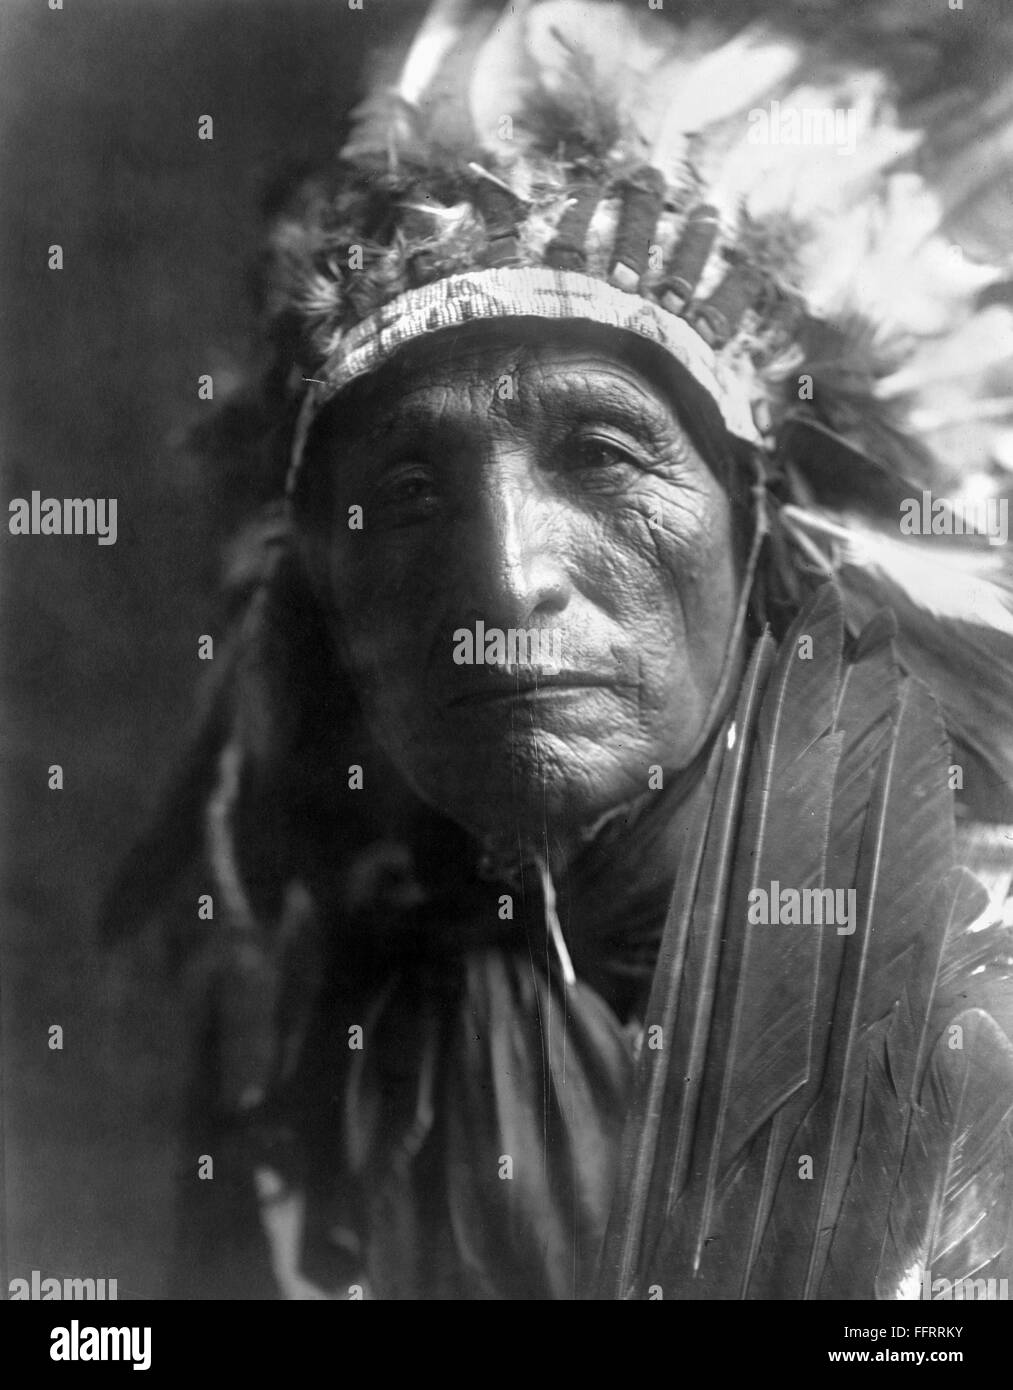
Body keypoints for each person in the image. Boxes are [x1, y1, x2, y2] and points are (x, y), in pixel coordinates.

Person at [107, 0, 1013, 1299]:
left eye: (599, 451)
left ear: (764, 542)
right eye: (409, 495)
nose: (506, 578)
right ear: (331, 595)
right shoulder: (325, 1046)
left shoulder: (979, 1027)